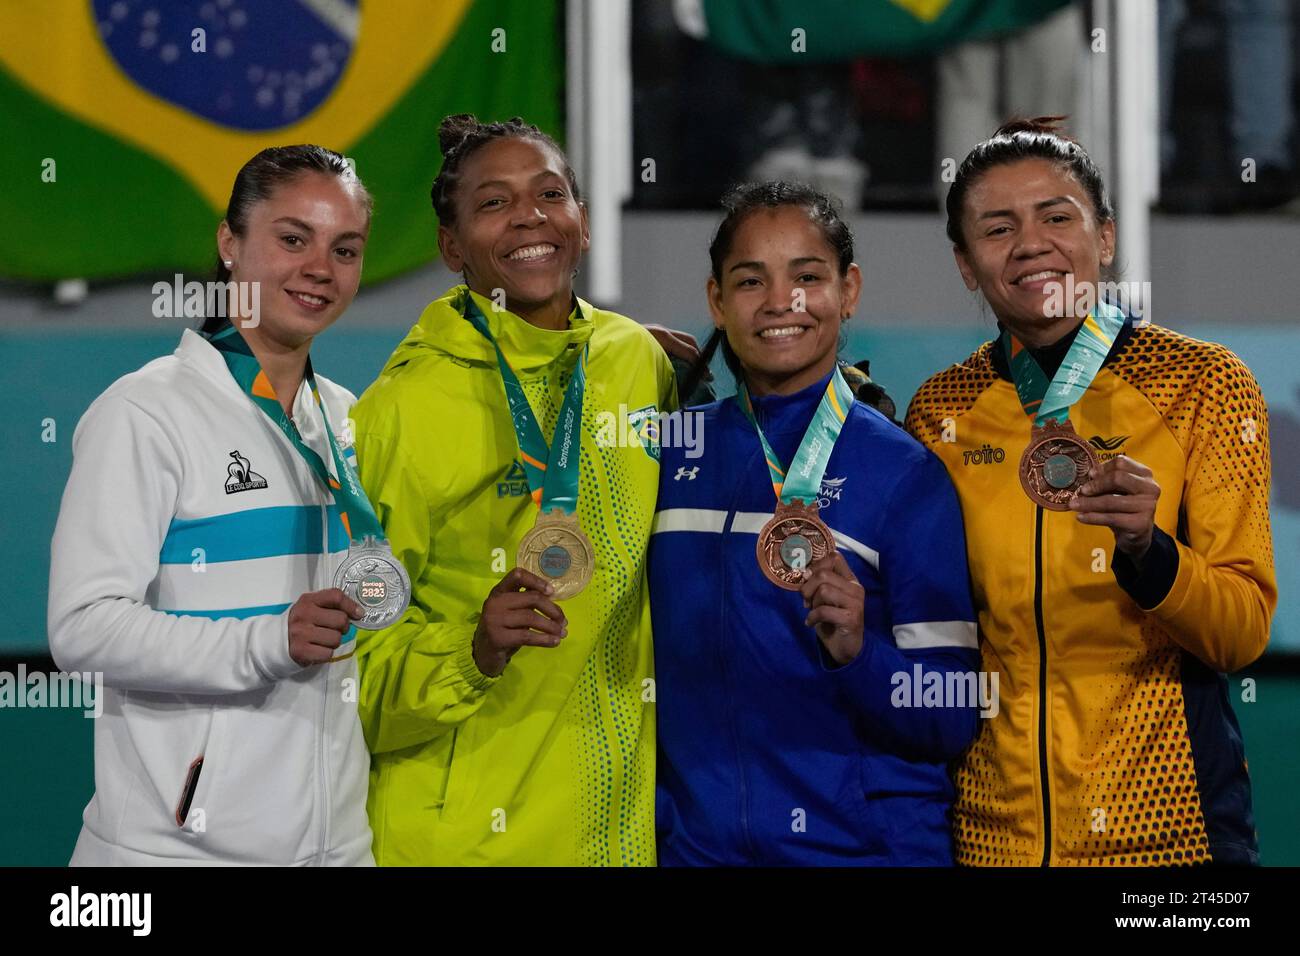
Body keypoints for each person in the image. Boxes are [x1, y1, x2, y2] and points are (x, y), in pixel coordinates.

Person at [905, 117, 1275, 865]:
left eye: (1056, 216)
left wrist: (1151, 553)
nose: (1031, 243)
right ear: (966, 265)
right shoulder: (939, 410)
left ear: (1104, 237)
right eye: (997, 227)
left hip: (1168, 842)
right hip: (990, 840)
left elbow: (1241, 634)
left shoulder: (1203, 384)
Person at [350, 115, 677, 866]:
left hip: (613, 837)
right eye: (494, 203)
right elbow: (352, 673)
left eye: (550, 193)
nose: (530, 216)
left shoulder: (636, 364)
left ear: (584, 224)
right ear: (452, 245)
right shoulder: (399, 411)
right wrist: (472, 650)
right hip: (462, 842)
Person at [48, 145, 377, 865]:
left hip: (337, 849)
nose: (321, 267)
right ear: (230, 243)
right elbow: (81, 628)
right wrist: (266, 641)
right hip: (176, 852)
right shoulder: (146, 412)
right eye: (293, 239)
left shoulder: (347, 421)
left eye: (344, 248)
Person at [651, 182, 981, 865]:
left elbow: (952, 709)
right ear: (716, 300)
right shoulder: (671, 449)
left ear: (848, 289)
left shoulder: (903, 473)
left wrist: (860, 650)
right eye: (750, 280)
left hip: (862, 854)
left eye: (807, 277)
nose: (781, 302)